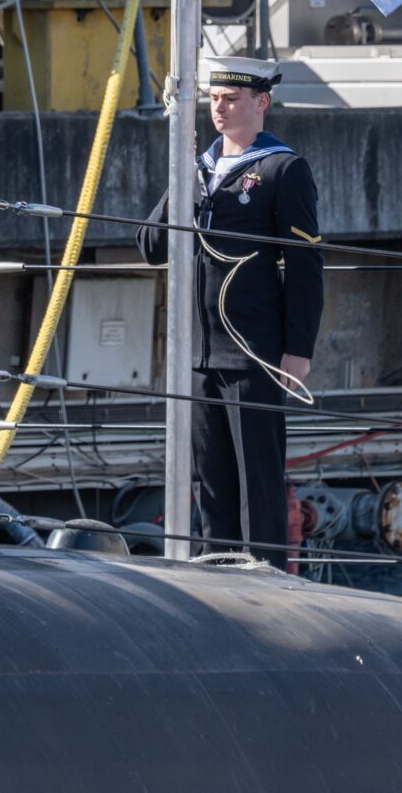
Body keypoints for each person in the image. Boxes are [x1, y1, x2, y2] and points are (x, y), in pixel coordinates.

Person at [139, 56, 323, 568]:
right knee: (211, 478)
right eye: (214, 99)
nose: (219, 109)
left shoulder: (282, 169)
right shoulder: (197, 170)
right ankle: (216, 571)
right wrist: (181, 179)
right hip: (198, 352)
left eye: (232, 99)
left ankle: (261, 572)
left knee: (256, 478)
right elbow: (150, 246)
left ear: (260, 102)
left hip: (252, 351)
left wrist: (297, 349)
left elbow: (306, 265)